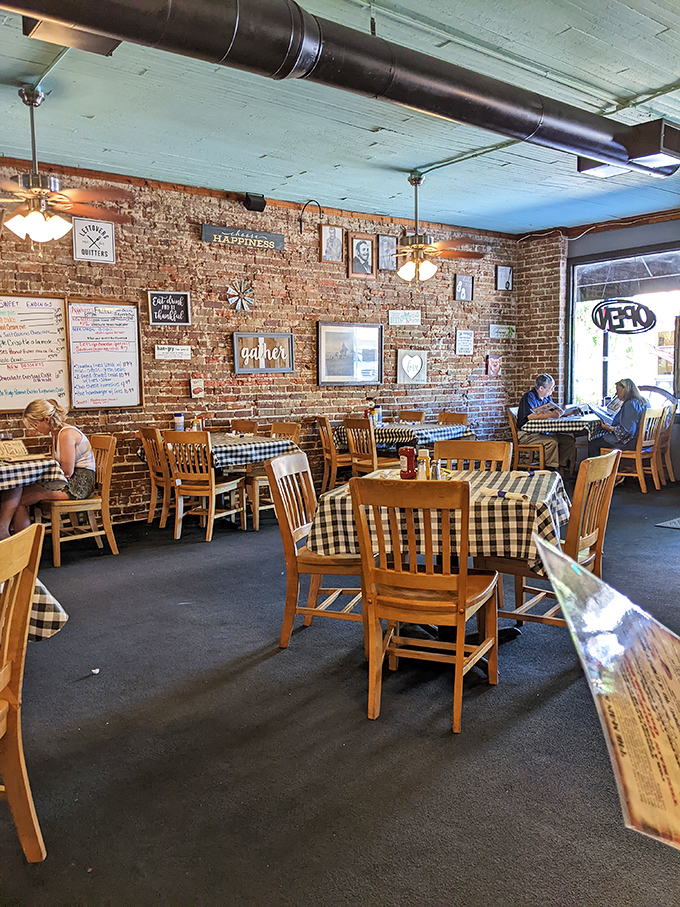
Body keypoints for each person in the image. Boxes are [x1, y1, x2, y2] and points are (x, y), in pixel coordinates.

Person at [0, 398, 96, 540]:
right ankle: (10, 536)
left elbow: (67, 472)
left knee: (19, 500)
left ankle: (16, 540)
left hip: (78, 485)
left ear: (46, 419)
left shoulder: (66, 434)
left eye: (35, 425)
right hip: (68, 481)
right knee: (17, 490)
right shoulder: (57, 433)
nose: (35, 429)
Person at [587, 378, 649, 457]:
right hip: (643, 442)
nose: (616, 394)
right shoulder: (644, 402)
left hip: (630, 443)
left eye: (618, 390)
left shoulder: (630, 404)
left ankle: (598, 469)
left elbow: (626, 431)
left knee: (594, 443)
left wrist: (609, 428)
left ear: (624, 390)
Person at [516, 373, 564, 470]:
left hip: (542, 432)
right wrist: (551, 415)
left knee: (568, 441)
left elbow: (555, 411)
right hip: (527, 434)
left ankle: (562, 467)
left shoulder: (547, 398)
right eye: (550, 388)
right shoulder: (529, 397)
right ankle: (550, 470)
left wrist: (568, 412)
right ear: (541, 388)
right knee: (552, 442)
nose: (552, 391)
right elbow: (530, 416)